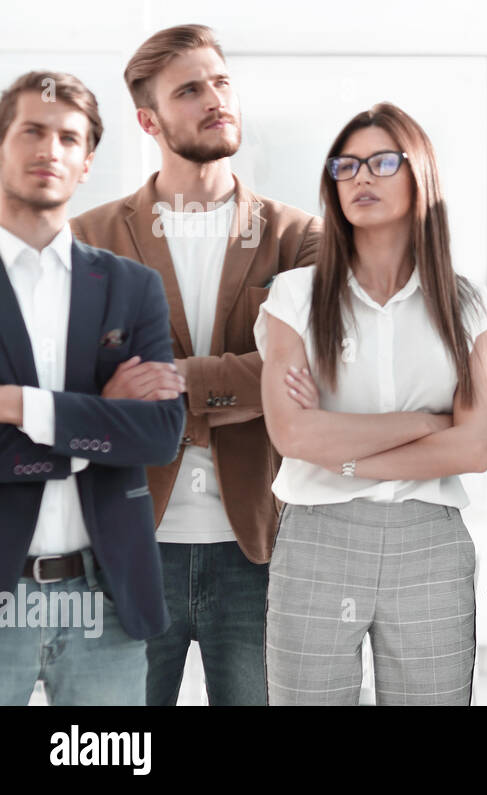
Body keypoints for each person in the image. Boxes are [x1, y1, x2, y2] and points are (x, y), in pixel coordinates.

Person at [71, 23, 321, 707]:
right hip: (127, 551)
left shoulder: (300, 239)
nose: (215, 99)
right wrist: (249, 383)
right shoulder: (90, 240)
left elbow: (311, 378)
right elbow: (82, 394)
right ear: (149, 119)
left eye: (221, 81)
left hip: (259, 553)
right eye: (190, 89)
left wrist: (170, 385)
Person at [254, 102, 487, 706]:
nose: (361, 177)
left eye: (383, 162)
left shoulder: (466, 305)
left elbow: (471, 448)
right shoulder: (295, 297)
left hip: (430, 543)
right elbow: (294, 437)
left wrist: (340, 448)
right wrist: (424, 424)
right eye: (347, 166)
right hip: (318, 539)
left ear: (420, 177)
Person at [0, 71, 185, 705]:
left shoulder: (132, 288)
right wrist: (102, 422)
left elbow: (161, 436)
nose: (49, 149)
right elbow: (127, 432)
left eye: (68, 138)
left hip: (106, 600)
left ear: (86, 164)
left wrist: (20, 406)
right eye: (32, 131)